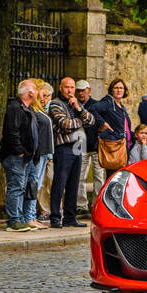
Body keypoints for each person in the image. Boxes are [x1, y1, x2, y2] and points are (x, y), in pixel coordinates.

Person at [48, 76, 95, 229]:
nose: (70, 90)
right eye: (67, 87)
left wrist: (79, 109)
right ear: (61, 88)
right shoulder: (56, 104)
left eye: (72, 87)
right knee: (59, 183)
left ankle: (70, 217)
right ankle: (55, 217)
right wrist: (81, 122)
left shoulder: (77, 104)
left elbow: (92, 120)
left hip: (78, 146)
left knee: (74, 184)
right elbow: (64, 124)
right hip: (64, 147)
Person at [0, 80, 38, 232]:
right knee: (16, 186)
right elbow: (12, 132)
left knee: (25, 186)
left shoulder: (26, 108)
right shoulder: (15, 108)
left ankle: (21, 218)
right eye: (35, 89)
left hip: (26, 156)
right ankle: (14, 220)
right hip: (16, 156)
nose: (37, 92)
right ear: (30, 93)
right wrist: (19, 150)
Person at [90, 78, 133, 178]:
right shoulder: (108, 103)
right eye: (116, 88)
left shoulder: (120, 106)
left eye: (121, 88)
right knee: (113, 177)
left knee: (120, 177)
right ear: (111, 90)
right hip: (114, 146)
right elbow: (92, 109)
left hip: (124, 145)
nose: (119, 90)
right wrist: (102, 123)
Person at [74, 80, 106, 214]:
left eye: (83, 90)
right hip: (80, 145)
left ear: (89, 90)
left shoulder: (97, 105)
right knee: (80, 176)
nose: (81, 93)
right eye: (79, 91)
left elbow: (102, 123)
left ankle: (96, 205)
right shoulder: (74, 106)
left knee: (98, 176)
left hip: (96, 145)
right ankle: (81, 205)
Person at [29, 82, 55, 228]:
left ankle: (32, 214)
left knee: (40, 183)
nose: (43, 98)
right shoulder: (34, 111)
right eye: (42, 95)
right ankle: (31, 215)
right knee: (36, 184)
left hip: (46, 153)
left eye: (46, 96)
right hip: (39, 153)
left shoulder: (42, 111)